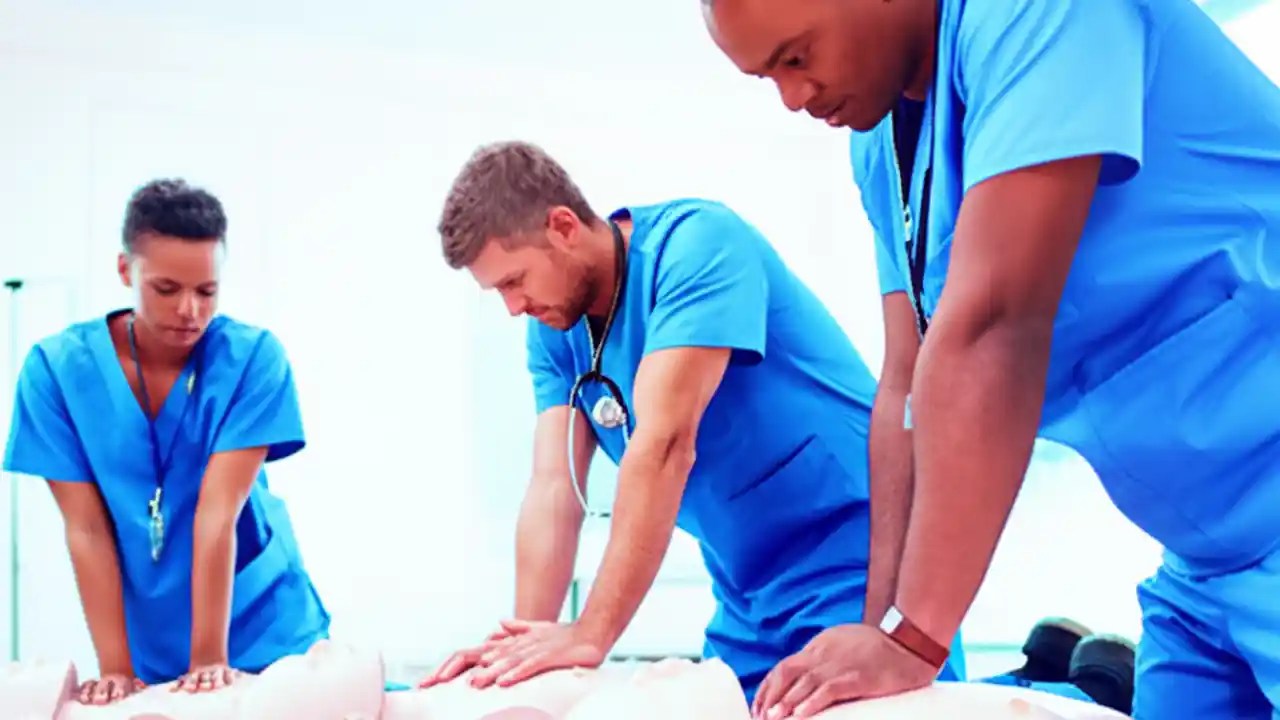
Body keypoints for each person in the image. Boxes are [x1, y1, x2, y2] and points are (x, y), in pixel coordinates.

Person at [701, 0, 1280, 718]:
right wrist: (881, 629)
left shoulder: (1043, 12)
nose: (793, 97)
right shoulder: (881, 145)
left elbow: (996, 327)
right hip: (1201, 565)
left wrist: (915, 637)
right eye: (768, 78)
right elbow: (908, 388)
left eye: (797, 56)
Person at [418, 140, 967, 704]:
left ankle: (1051, 674)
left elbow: (664, 444)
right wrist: (519, 660)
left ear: (562, 226)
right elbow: (554, 488)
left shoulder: (697, 247)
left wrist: (590, 635)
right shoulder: (557, 332)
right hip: (747, 598)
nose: (514, 306)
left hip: (858, 568)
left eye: (515, 281)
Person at [2, 179, 331, 705]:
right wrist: (115, 667)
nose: (189, 311)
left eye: (207, 291)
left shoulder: (253, 359)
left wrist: (208, 661)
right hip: (151, 638)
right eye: (166, 288)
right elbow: (85, 528)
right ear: (124, 270)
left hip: (268, 625)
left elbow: (217, 513)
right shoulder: (56, 370)